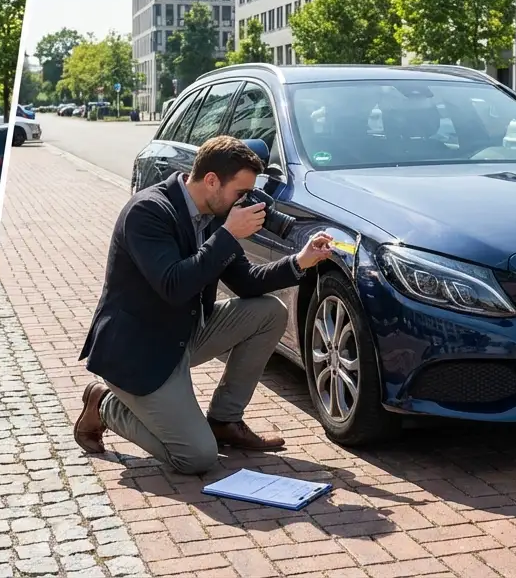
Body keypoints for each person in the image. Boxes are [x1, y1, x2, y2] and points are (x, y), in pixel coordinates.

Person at [74, 135, 333, 475]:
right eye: (240, 192)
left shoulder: (214, 213)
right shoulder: (148, 211)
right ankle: (105, 405)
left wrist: (301, 261)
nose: (245, 201)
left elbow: (247, 281)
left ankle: (224, 421)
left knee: (269, 312)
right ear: (211, 180)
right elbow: (174, 286)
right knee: (196, 457)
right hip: (138, 353)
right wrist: (228, 235)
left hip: (183, 333)